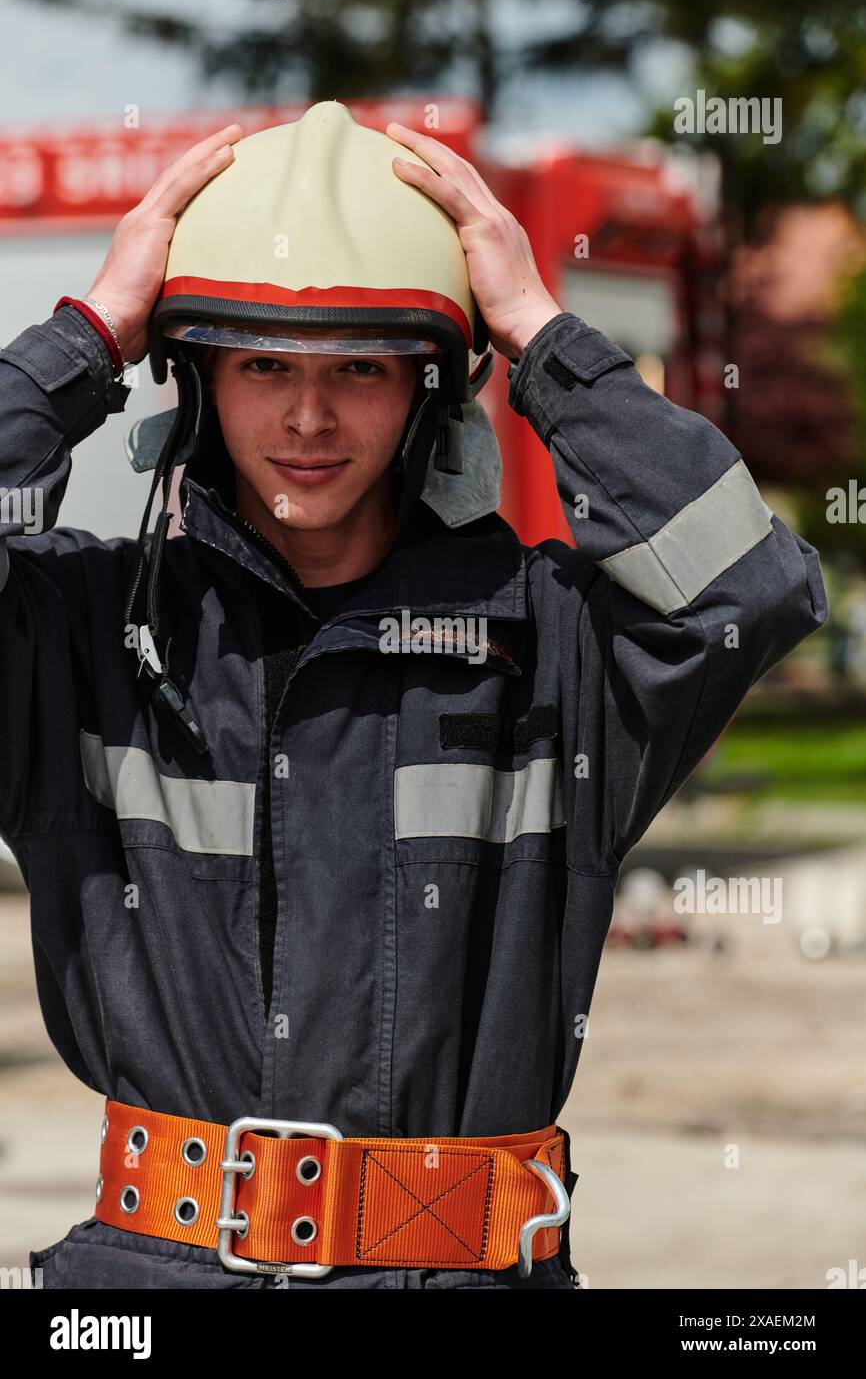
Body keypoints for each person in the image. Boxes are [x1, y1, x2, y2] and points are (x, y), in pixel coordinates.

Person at [1, 102, 826, 1291]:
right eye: (261, 365)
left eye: (361, 369)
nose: (306, 418)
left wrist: (543, 341)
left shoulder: (551, 643)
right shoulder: (82, 631)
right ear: (188, 377)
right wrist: (85, 338)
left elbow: (746, 587)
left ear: (431, 389)